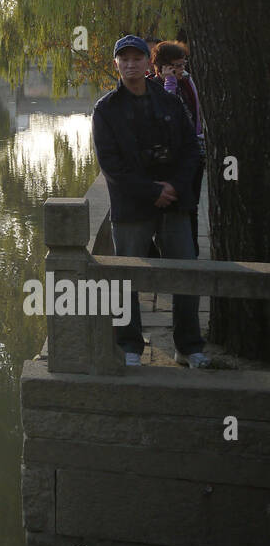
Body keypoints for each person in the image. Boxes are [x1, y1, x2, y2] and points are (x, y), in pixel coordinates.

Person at [91, 35, 211, 368]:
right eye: (124, 59)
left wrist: (174, 187)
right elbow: (111, 165)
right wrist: (151, 191)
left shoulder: (169, 101)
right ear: (116, 64)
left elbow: (191, 149)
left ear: (148, 63)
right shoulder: (105, 110)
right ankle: (130, 346)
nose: (130, 64)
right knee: (125, 278)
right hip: (132, 207)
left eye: (137, 58)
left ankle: (188, 346)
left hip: (174, 202)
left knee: (185, 273)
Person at [151, 39, 205, 256]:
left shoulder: (187, 82)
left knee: (192, 206)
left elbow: (196, 114)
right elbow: (167, 119)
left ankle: (193, 252)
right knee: (173, 209)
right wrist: (170, 82)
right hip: (169, 160)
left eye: (184, 64)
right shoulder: (154, 87)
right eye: (177, 65)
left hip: (194, 152)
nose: (183, 69)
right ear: (164, 67)